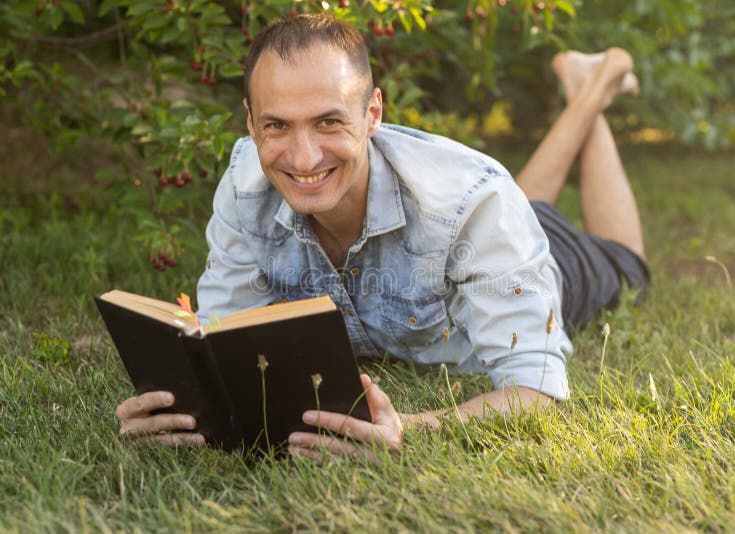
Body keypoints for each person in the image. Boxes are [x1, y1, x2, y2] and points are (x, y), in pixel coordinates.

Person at [115, 14, 648, 460]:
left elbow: (538, 392)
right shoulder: (245, 184)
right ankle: (585, 87)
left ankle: (595, 85)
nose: (303, 158)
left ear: (372, 113)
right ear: (251, 123)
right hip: (487, 227)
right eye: (277, 126)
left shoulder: (476, 204)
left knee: (628, 263)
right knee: (524, 203)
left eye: (328, 122)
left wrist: (406, 427)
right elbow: (225, 337)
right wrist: (189, 406)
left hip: (540, 260)